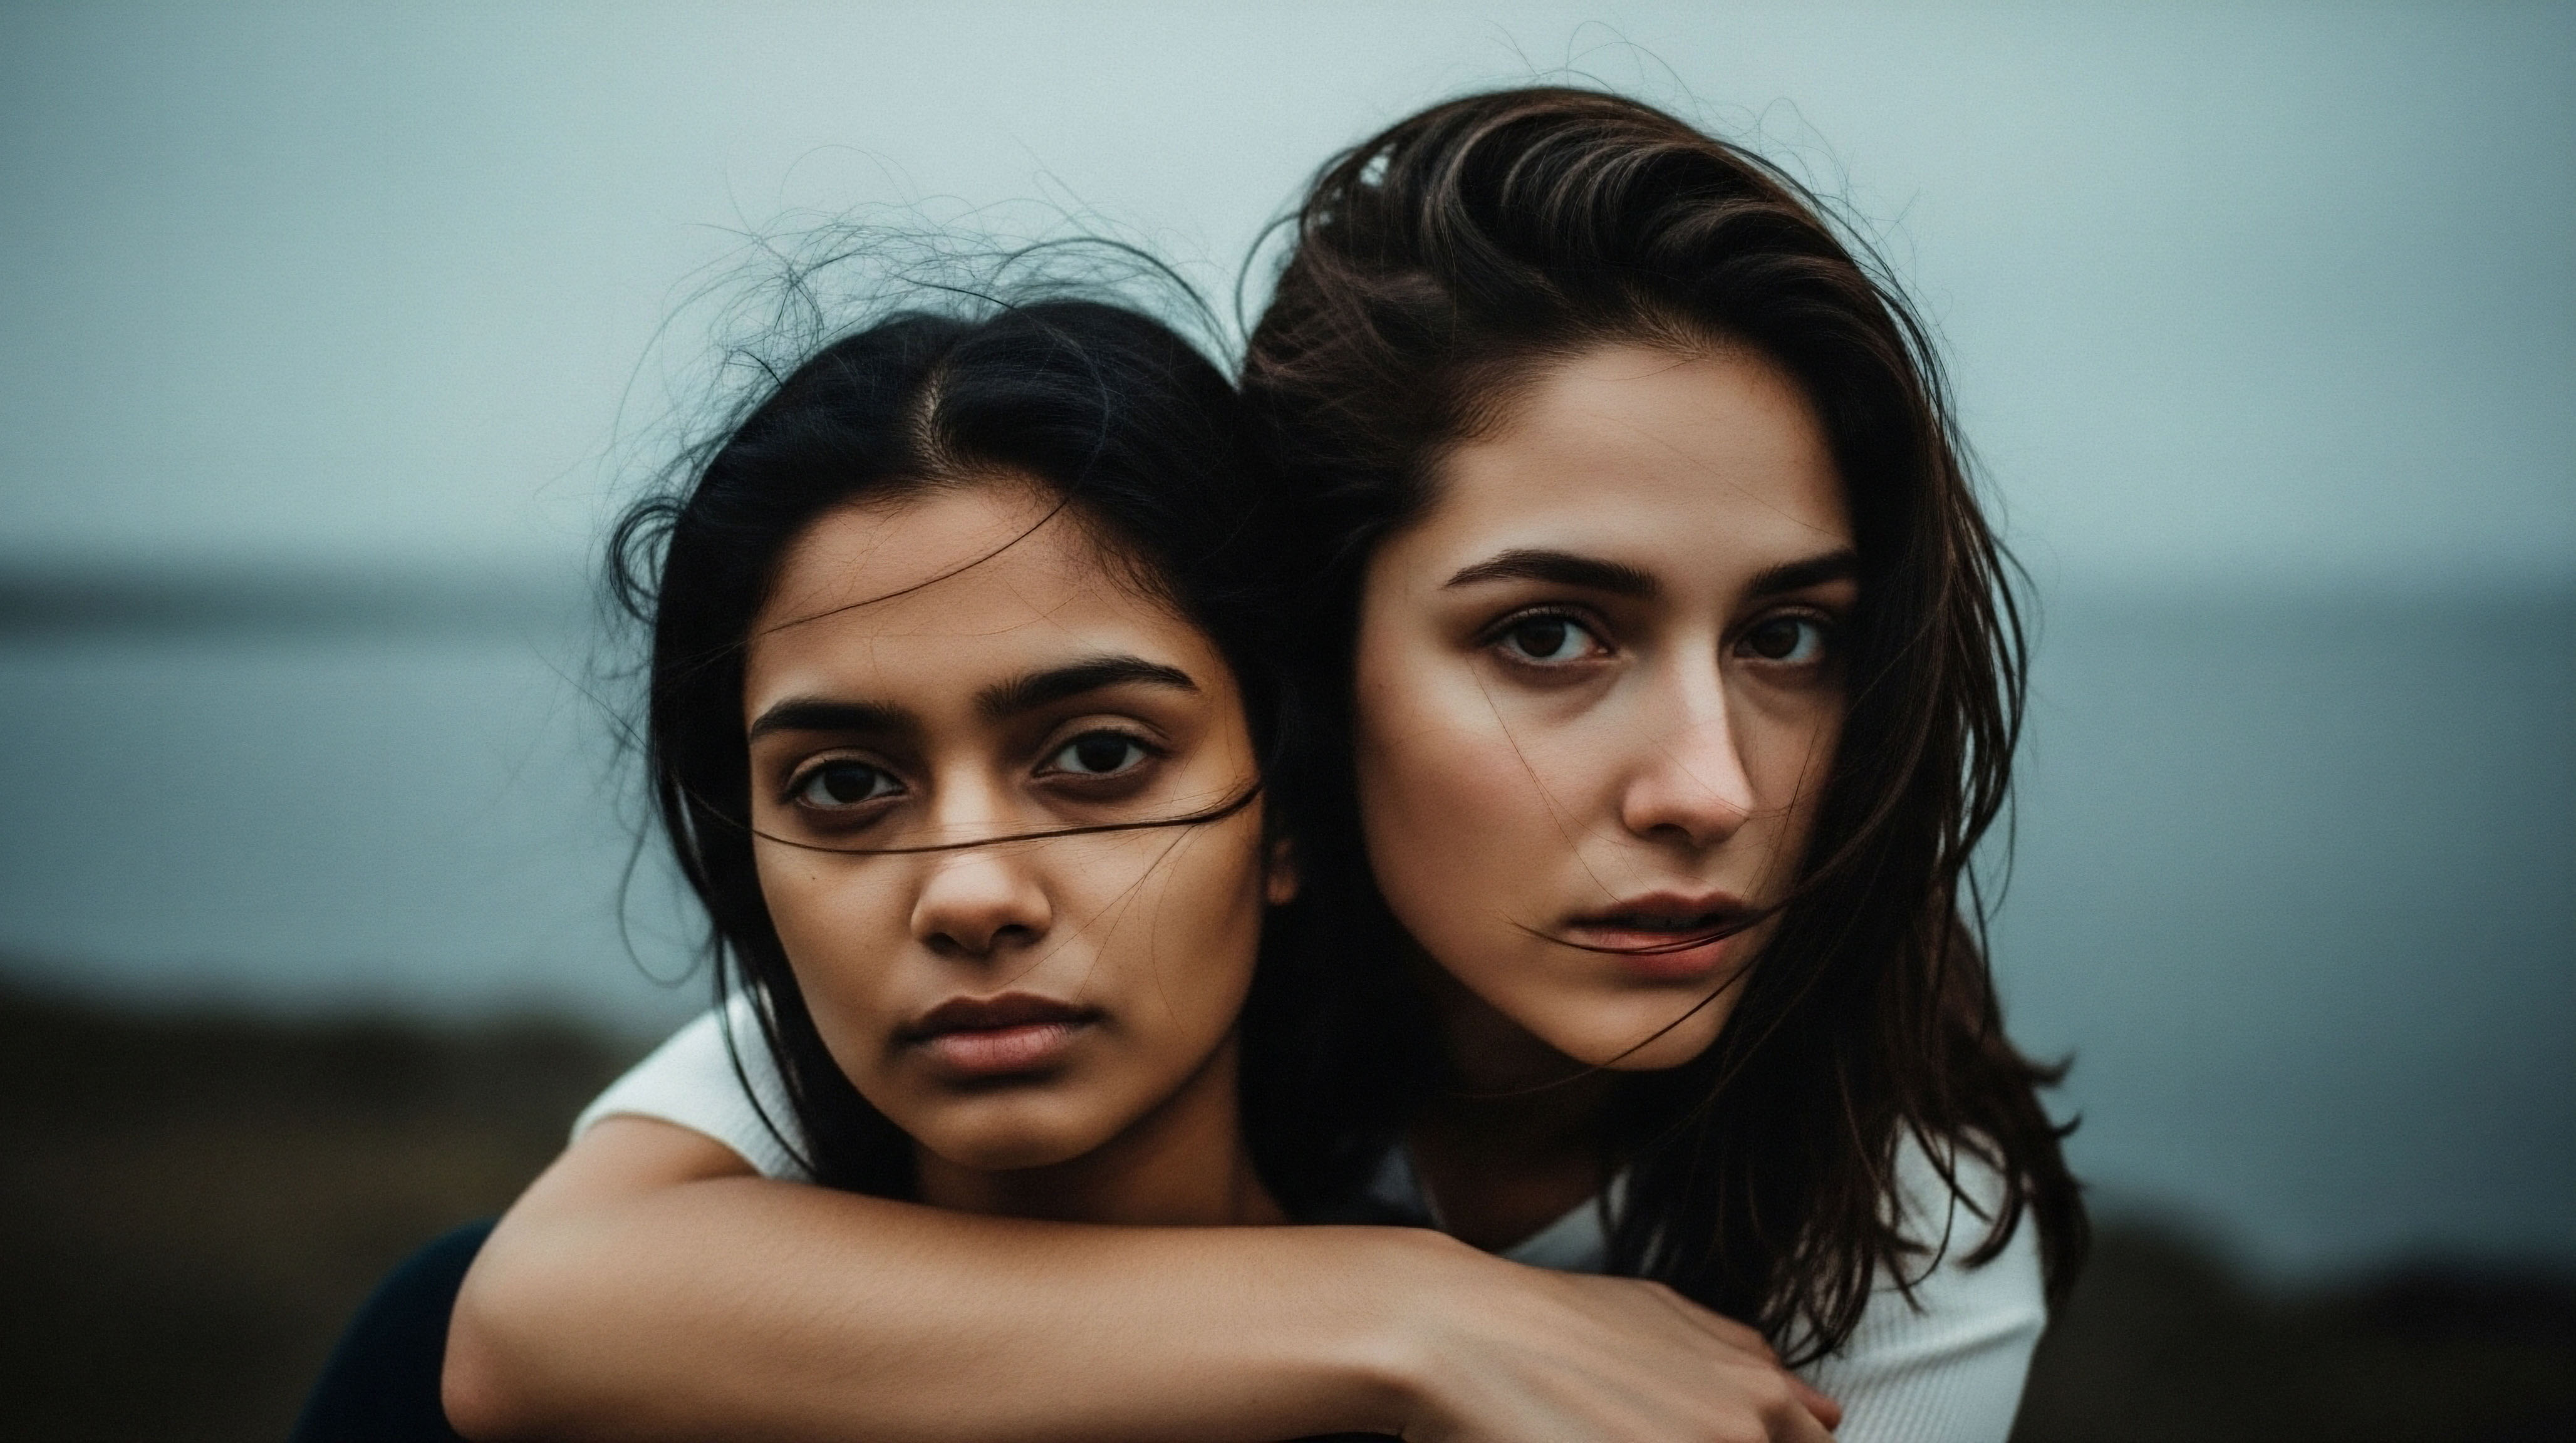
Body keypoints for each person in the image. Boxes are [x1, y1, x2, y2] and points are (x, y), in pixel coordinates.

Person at [444, 86, 2082, 1443]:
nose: (1709, 791)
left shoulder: (1897, 1210)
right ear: (1317, 662)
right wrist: (1402, 1311)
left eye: (1788, 637)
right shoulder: (1129, 922)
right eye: (1549, 638)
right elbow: (535, 1309)